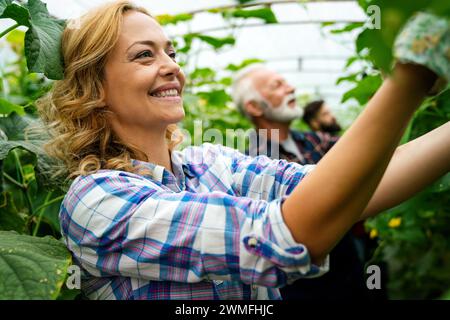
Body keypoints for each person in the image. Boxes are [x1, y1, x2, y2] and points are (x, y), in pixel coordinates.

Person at [37, 1, 450, 300]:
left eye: (171, 52)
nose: (172, 66)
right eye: (144, 55)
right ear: (95, 88)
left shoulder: (210, 164)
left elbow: (352, 186)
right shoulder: (97, 199)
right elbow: (289, 235)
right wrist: (406, 77)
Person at [231, 66, 381, 300]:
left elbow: (362, 150)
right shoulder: (248, 166)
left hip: (347, 263)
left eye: (287, 82)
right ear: (255, 107)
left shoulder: (313, 140)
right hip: (302, 285)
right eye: (277, 85)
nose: (291, 88)